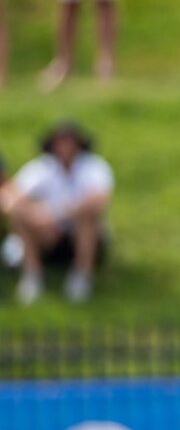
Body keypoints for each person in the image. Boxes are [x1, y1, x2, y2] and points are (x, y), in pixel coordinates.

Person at [0, 120, 114, 304]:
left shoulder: (93, 167)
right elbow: (10, 196)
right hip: (48, 237)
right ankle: (32, 277)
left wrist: (57, 214)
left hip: (82, 237)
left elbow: (99, 200)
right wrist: (35, 216)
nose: (65, 147)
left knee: (88, 218)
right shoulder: (43, 167)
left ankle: (82, 276)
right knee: (19, 216)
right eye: (60, 141)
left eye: (69, 141)